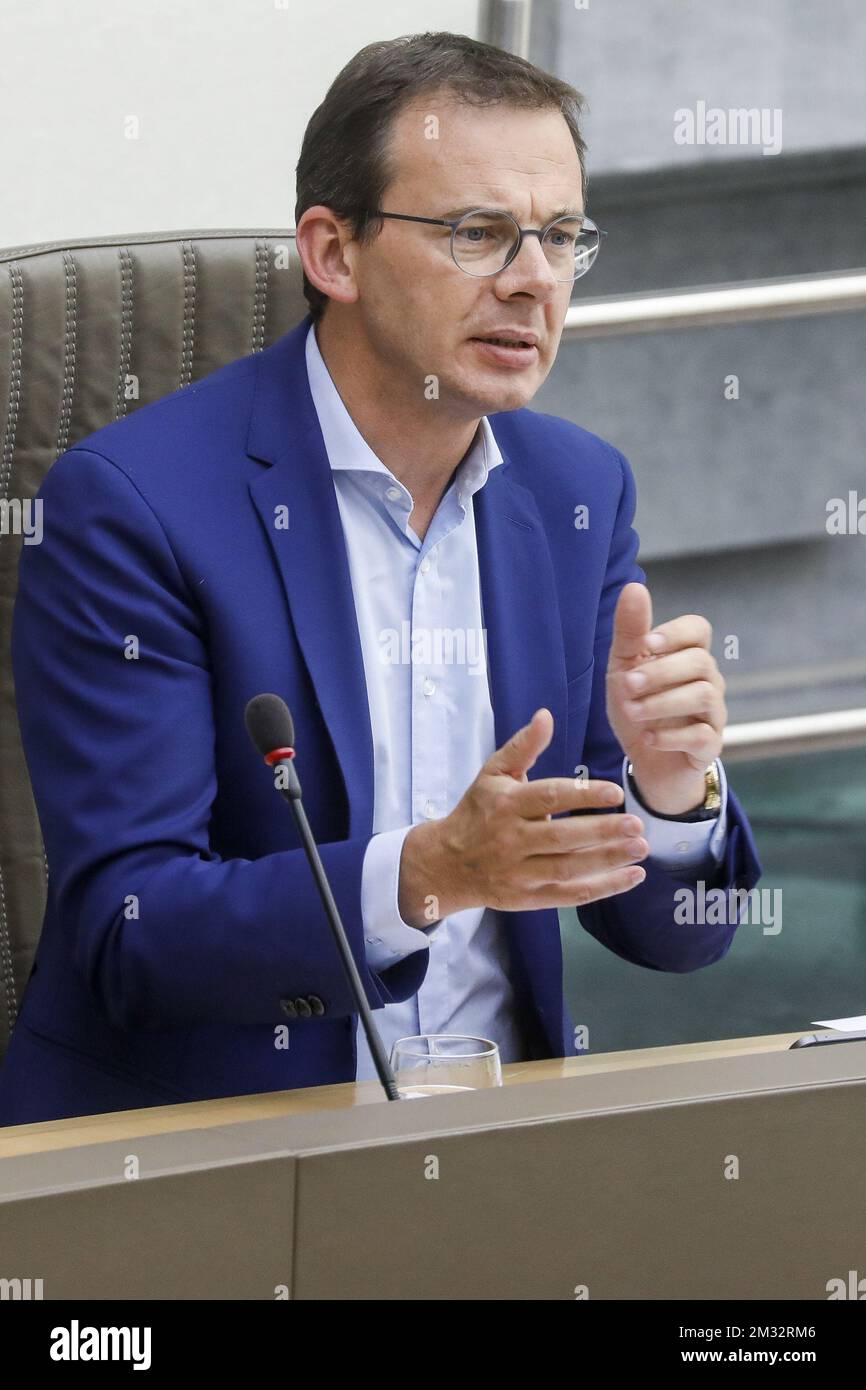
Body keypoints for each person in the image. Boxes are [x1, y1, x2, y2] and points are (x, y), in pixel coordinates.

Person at [0, 32, 761, 1125]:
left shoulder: (573, 492)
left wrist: (669, 790)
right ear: (333, 253)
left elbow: (675, 940)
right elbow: (135, 934)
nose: (532, 278)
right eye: (477, 232)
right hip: (213, 1162)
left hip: (495, 1157)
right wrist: (428, 871)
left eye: (558, 236)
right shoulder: (132, 506)